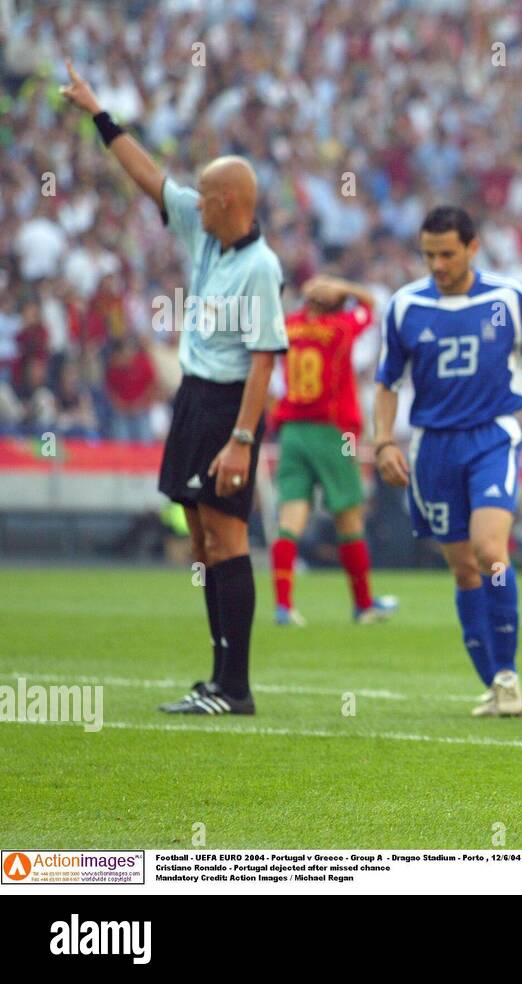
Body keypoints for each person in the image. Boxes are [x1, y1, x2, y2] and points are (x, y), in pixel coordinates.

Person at [62, 61, 288, 716]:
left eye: (204, 195)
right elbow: (146, 176)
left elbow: (266, 360)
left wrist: (242, 441)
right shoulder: (205, 232)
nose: (191, 199)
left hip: (229, 407)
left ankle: (235, 687)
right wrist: (97, 111)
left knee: (228, 538)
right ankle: (218, 677)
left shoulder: (260, 268)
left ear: (229, 204)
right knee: (202, 538)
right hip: (195, 396)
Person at [372, 206, 522, 717]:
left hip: (491, 439)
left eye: (447, 254)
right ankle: (495, 682)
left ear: (472, 247)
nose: (437, 265)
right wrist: (382, 442)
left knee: (491, 553)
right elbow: (387, 383)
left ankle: (507, 672)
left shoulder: (507, 299)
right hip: (433, 447)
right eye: (429, 254)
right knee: (463, 569)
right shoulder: (404, 307)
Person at [269, 274, 397, 626]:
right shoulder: (341, 327)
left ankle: (283, 605)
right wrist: (349, 286)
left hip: (292, 431)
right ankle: (363, 604)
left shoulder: (288, 326)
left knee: (290, 517)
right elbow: (371, 305)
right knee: (349, 514)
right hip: (335, 432)